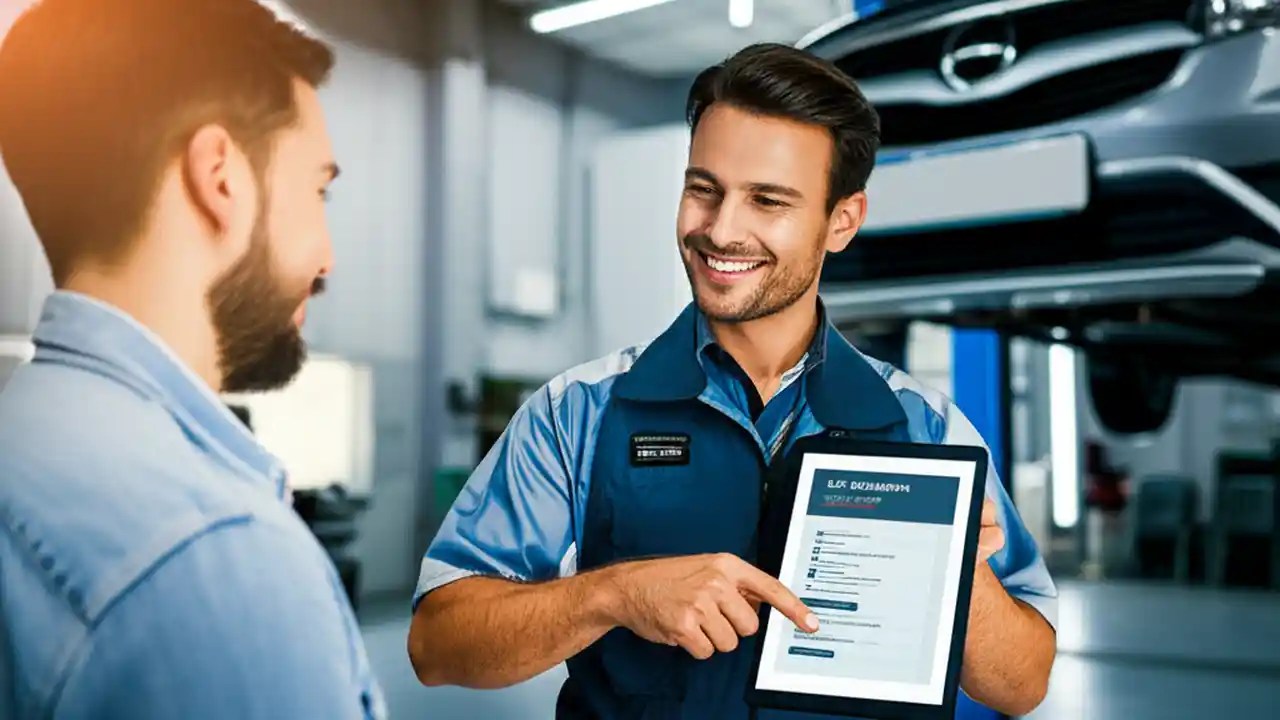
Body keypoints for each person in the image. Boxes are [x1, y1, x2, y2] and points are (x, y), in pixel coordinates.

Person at [408, 43, 1057, 719]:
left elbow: (1023, 685)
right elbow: (437, 643)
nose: (720, 230)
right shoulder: (580, 412)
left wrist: (958, 573)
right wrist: (613, 595)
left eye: (767, 200)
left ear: (843, 220)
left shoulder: (924, 428)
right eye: (703, 189)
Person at [0, 1, 384, 718]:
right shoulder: (221, 565)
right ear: (221, 179)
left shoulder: (20, 438)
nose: (328, 258)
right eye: (318, 189)